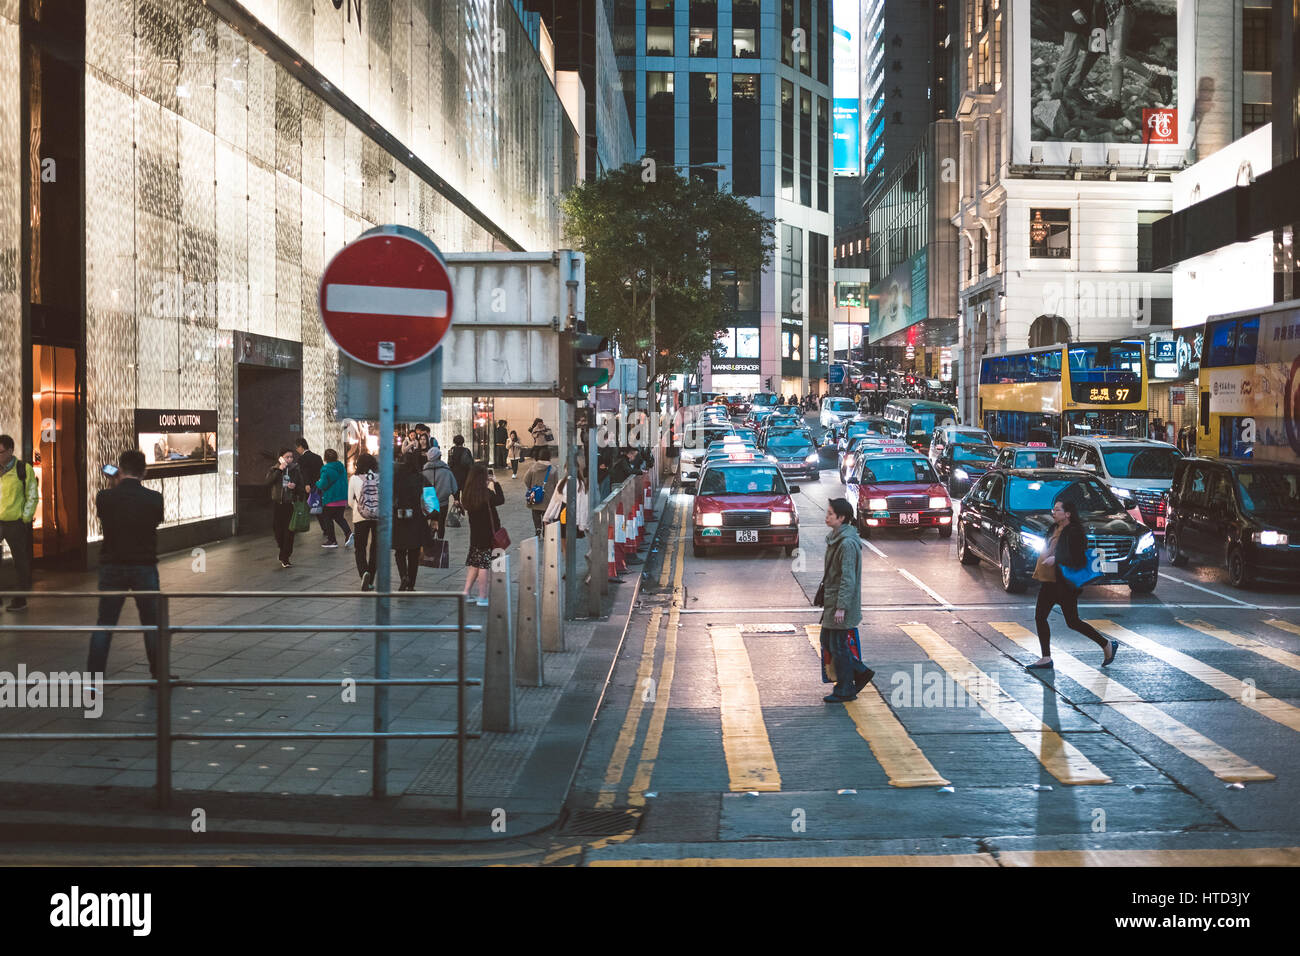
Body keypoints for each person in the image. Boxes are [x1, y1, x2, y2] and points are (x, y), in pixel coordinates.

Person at [86, 450, 167, 681]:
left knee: (105, 623)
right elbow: (156, 521)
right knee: (151, 623)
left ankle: (93, 679)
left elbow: (106, 514)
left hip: (112, 565)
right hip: (144, 566)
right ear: (144, 471)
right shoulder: (154, 498)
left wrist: (114, 484)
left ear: (120, 469)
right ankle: (158, 674)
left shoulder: (104, 496)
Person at [1029, 498, 1119, 669]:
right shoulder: (1054, 528)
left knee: (1073, 621)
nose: (1053, 513)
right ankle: (1046, 657)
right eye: (1053, 510)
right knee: (1040, 617)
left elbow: (1078, 559)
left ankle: (1106, 644)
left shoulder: (1074, 532)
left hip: (1064, 585)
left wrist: (1056, 559)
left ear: (1067, 514)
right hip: (1049, 582)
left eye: (1057, 510)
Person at [819, 498, 873, 703]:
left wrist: (841, 607)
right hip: (833, 600)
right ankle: (859, 672)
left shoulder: (847, 543)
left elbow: (848, 578)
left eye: (831, 513)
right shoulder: (836, 538)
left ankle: (845, 689)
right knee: (828, 641)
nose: (827, 516)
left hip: (840, 603)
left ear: (842, 518)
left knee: (838, 645)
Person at [0, 434, 39, 611]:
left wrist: (24, 518)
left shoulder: (23, 469)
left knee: (20, 561)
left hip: (15, 522)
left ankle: (20, 599)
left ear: (10, 450)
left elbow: (32, 495)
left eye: (0, 452)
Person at [461, 463, 505, 607]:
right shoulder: (486, 494)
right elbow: (501, 500)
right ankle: (482, 596)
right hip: (487, 534)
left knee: (475, 563)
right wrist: (495, 483)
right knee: (484, 565)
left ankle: (466, 593)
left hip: (475, 534)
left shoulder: (467, 493)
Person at [392, 450, 426, 591]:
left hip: (399, 518)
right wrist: (434, 517)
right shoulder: (420, 478)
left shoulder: (395, 478)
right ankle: (411, 583)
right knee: (414, 551)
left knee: (400, 550)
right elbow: (430, 498)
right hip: (415, 518)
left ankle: (403, 576)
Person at [267, 448, 305, 568]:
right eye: (287, 457)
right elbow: (268, 481)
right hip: (278, 504)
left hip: (290, 504)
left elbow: (301, 487)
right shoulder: (274, 469)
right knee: (278, 531)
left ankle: (285, 556)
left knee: (289, 531)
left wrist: (295, 487)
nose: (289, 459)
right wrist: (279, 470)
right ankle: (282, 549)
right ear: (281, 457)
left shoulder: (295, 470)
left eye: (291, 457)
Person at [349, 453, 380, 591]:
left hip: (360, 516)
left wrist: (359, 508)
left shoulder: (354, 478)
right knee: (375, 547)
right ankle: (371, 578)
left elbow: (350, 501)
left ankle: (364, 573)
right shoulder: (379, 478)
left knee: (360, 547)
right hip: (378, 516)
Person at [315, 448, 351, 548]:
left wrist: (317, 483)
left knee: (327, 518)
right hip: (342, 499)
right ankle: (348, 533)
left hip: (331, 499)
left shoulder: (325, 469)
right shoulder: (341, 467)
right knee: (339, 517)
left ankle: (332, 540)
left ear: (325, 458)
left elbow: (322, 484)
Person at [421, 446, 458, 539]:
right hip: (443, 502)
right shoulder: (446, 471)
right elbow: (454, 487)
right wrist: (456, 499)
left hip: (428, 503)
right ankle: (440, 545)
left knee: (429, 523)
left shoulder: (424, 472)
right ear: (439, 457)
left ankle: (429, 545)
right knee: (441, 523)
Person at [521, 446, 557, 537]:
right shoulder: (553, 469)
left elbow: (526, 479)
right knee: (547, 514)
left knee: (536, 513)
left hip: (535, 495)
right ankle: (546, 531)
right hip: (548, 497)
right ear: (549, 457)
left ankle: (537, 528)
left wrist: (531, 487)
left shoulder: (533, 467)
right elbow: (557, 483)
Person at [447, 434, 474, 501]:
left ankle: (458, 508)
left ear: (454, 442)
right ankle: (465, 507)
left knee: (456, 498)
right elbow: (471, 464)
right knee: (465, 496)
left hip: (454, 475)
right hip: (465, 475)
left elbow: (449, 463)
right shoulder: (466, 450)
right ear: (463, 441)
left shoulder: (451, 450)